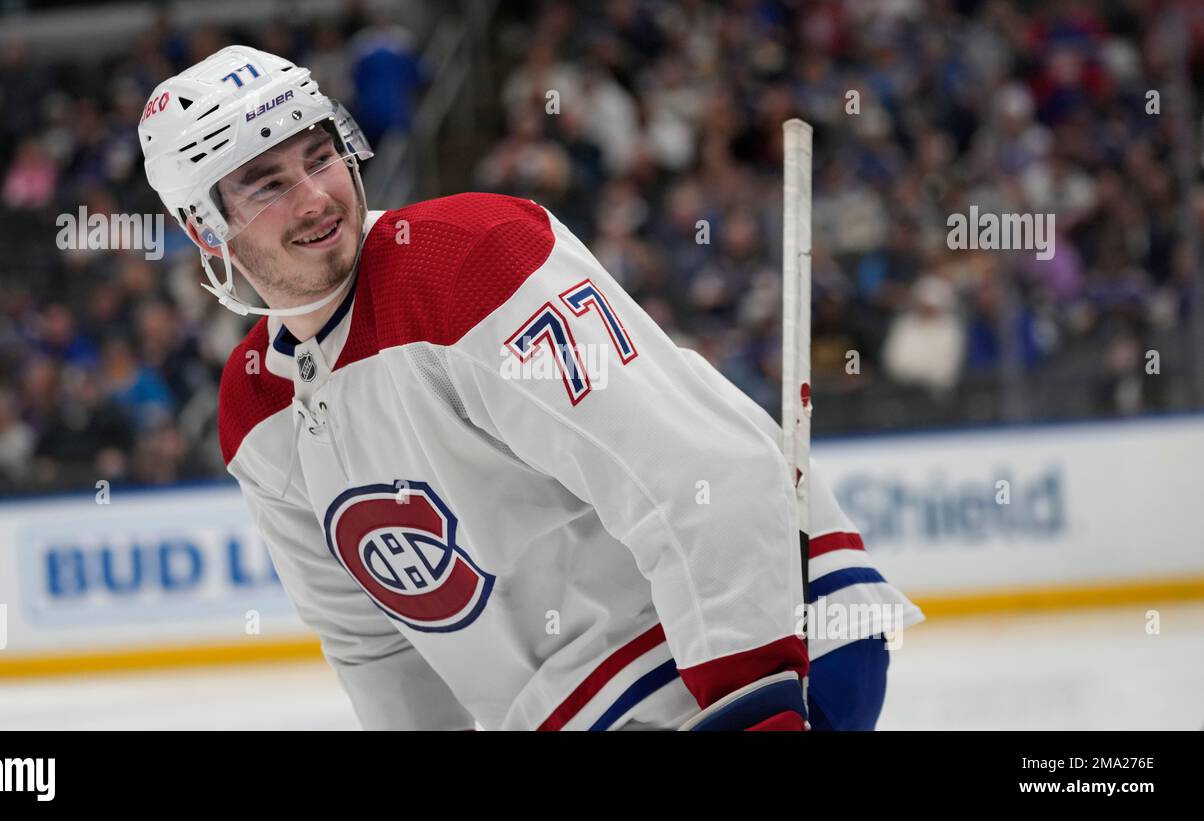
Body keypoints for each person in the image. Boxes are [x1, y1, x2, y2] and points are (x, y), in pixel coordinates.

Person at [138, 45, 920, 730]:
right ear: (206, 229)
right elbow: (370, 643)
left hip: (750, 653)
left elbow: (694, 472)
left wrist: (754, 695)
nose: (315, 196)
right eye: (267, 185)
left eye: (319, 157)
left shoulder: (467, 261)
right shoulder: (256, 409)